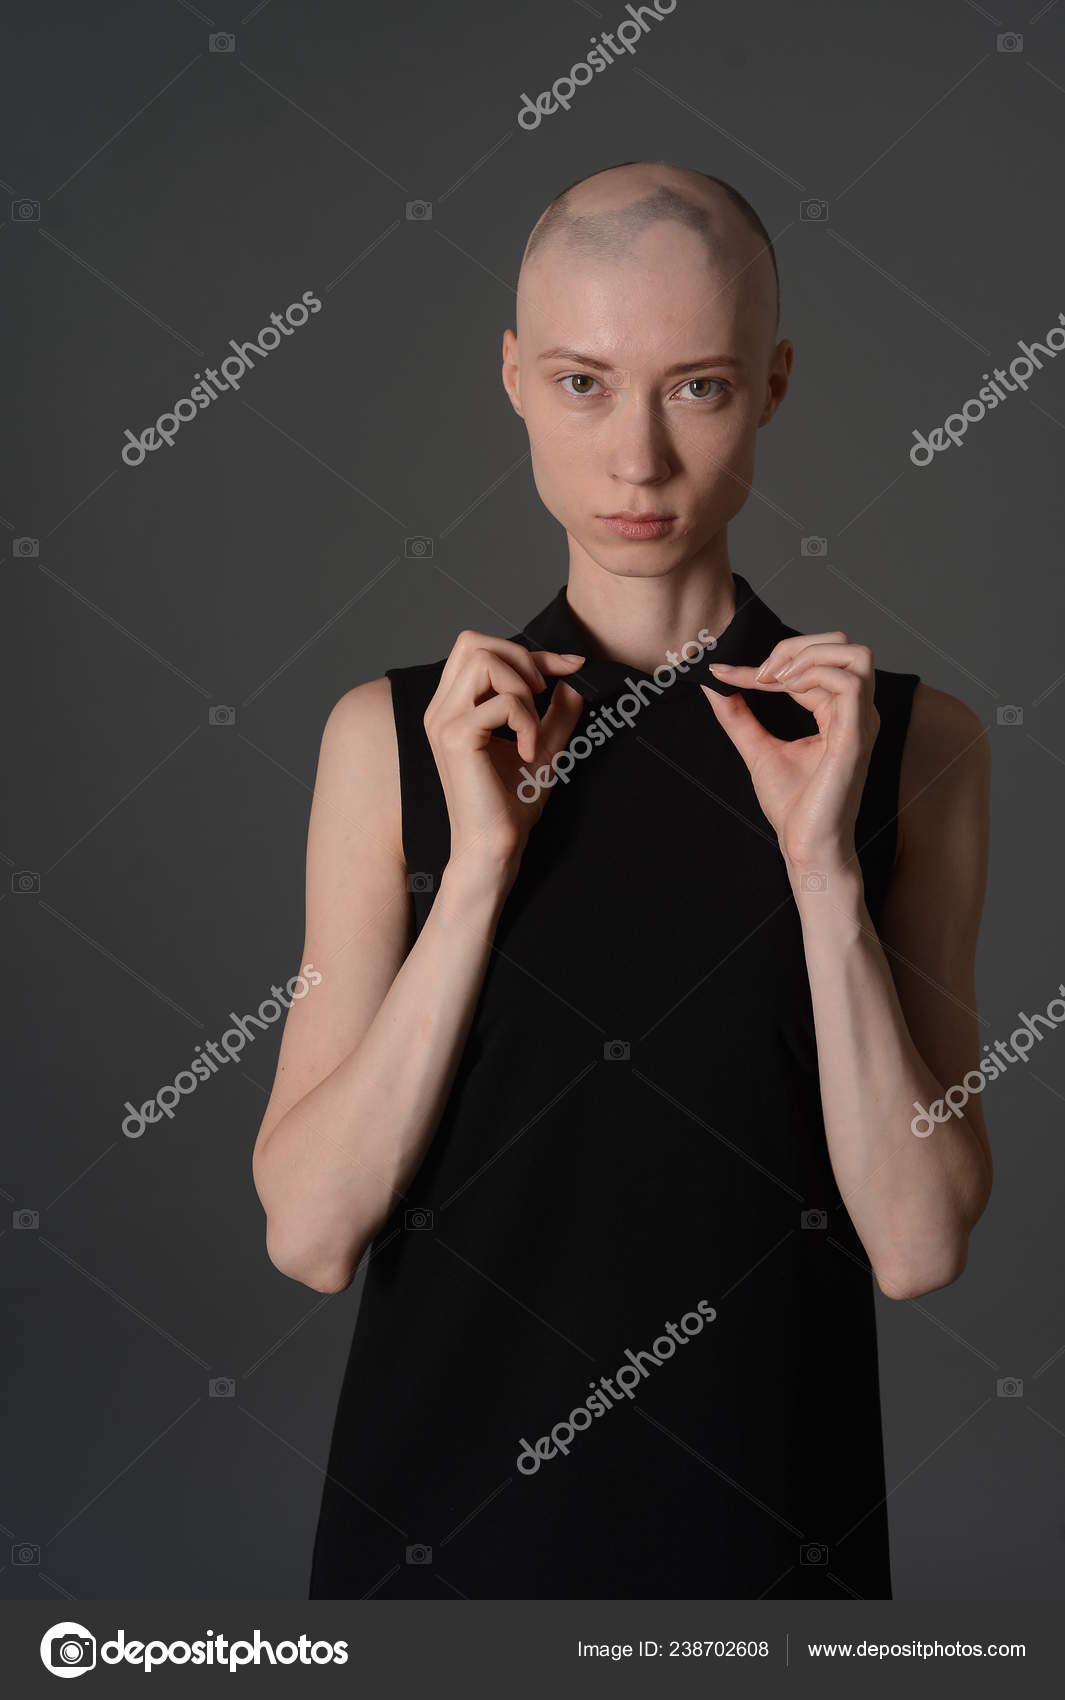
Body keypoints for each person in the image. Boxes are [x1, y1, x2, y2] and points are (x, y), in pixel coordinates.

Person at [252, 160, 993, 1600]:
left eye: (696, 387)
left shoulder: (909, 747)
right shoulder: (394, 740)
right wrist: (478, 872)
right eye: (584, 385)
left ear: (772, 385)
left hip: (769, 1557)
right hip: (441, 1566)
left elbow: (915, 1245)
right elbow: (310, 1231)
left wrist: (823, 876)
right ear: (515, 380)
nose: (637, 462)